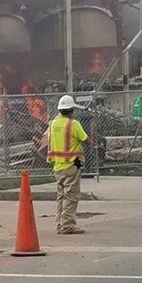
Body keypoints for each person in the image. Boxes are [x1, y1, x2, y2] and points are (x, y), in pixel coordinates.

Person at [46, 95, 89, 235]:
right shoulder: (73, 124)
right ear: (71, 110)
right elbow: (85, 139)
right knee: (71, 196)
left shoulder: (52, 124)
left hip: (57, 166)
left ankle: (60, 224)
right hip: (72, 164)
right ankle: (68, 225)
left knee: (61, 196)